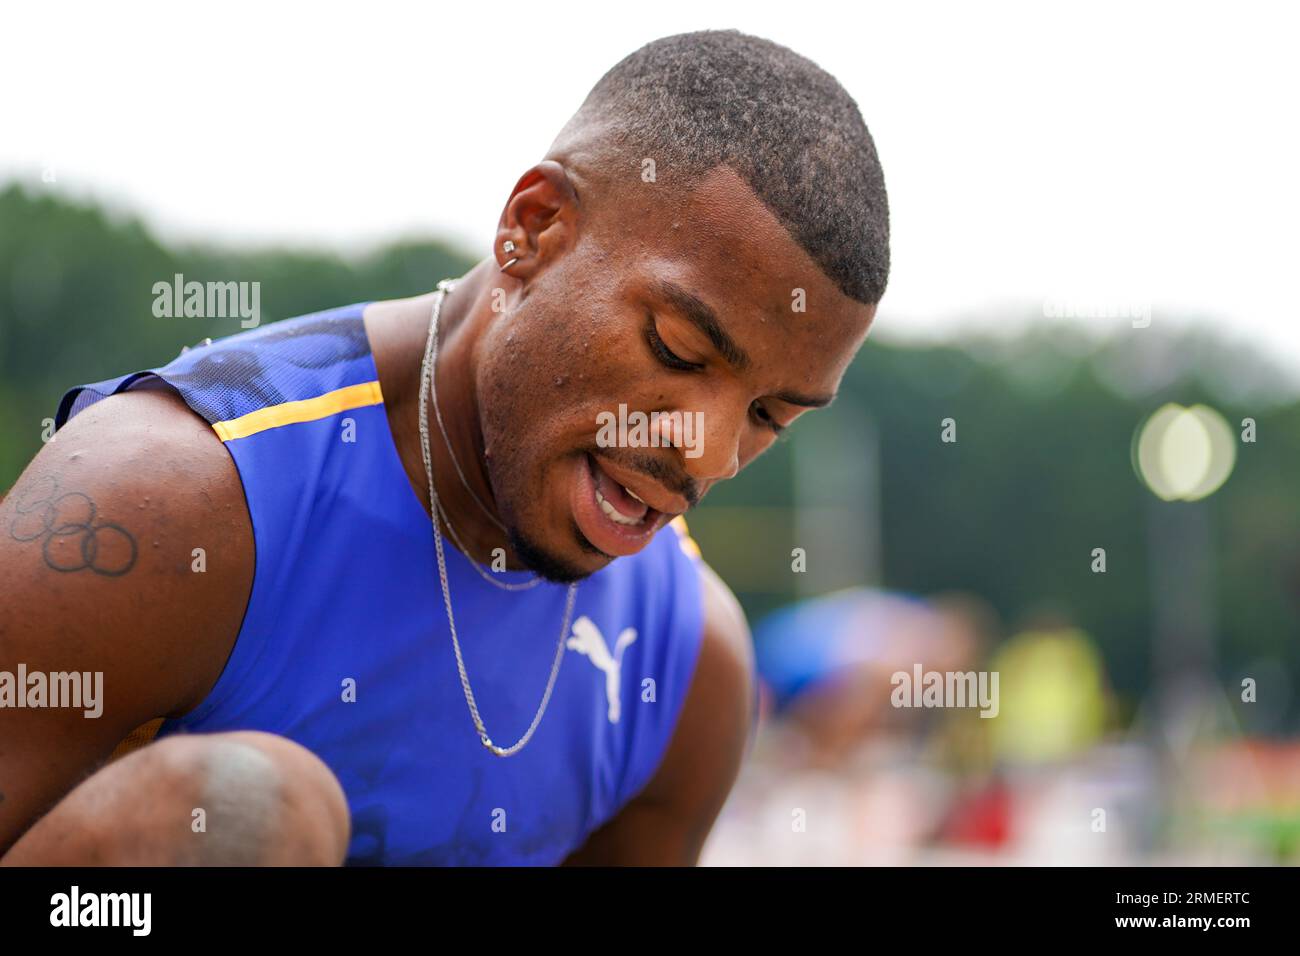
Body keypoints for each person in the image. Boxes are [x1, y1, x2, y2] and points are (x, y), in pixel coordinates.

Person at [0, 29, 890, 865]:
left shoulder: (687, 665)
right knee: (245, 811)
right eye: (678, 351)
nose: (708, 456)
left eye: (771, 415)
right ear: (535, 228)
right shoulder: (164, 503)